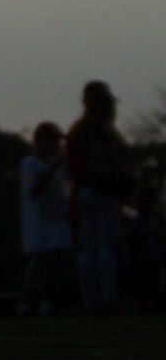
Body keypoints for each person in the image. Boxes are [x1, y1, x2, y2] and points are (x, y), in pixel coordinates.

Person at [66, 80, 132, 312]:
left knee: (88, 249)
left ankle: (91, 300)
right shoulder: (102, 130)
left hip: (85, 191)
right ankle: (108, 297)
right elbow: (121, 156)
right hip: (103, 192)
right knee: (105, 247)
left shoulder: (78, 129)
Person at [18, 122, 73, 316]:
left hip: (58, 224)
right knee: (38, 268)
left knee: (57, 266)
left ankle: (51, 302)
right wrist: (51, 169)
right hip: (40, 227)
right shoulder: (30, 164)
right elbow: (33, 191)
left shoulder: (58, 166)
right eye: (53, 140)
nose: (57, 144)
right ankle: (29, 303)